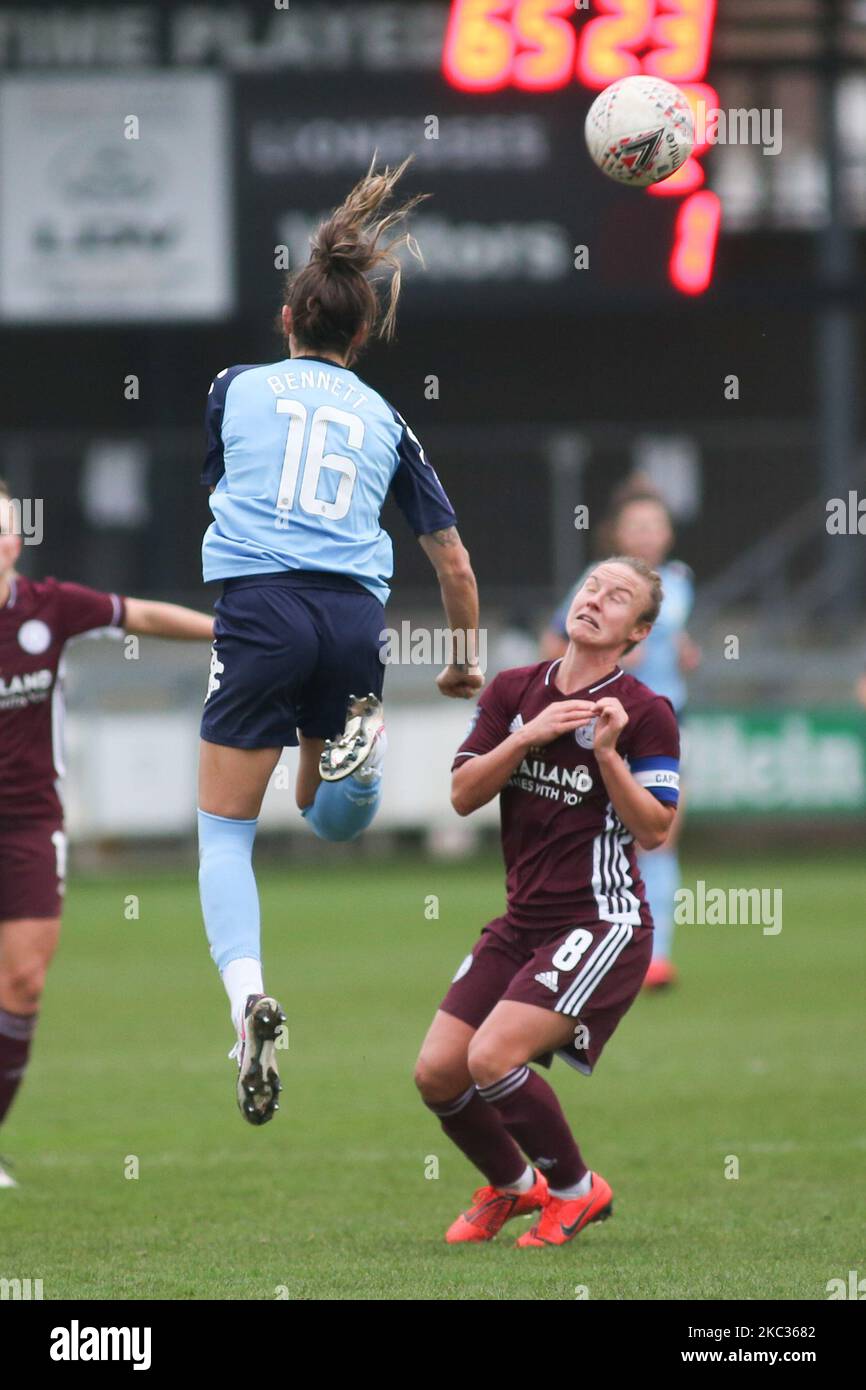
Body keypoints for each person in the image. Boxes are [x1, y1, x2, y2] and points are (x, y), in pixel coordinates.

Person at [196, 159, 482, 1126]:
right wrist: (463, 659)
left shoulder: (233, 386)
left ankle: (247, 1003)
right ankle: (358, 752)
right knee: (326, 814)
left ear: (289, 320)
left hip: (261, 608)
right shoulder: (389, 420)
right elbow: (451, 562)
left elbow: (226, 487)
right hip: (356, 617)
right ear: (363, 335)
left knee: (225, 833)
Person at [415, 556, 679, 1247]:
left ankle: (575, 1190)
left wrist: (609, 754)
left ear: (637, 632)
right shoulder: (513, 690)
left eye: (617, 598)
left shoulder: (646, 712)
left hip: (602, 921)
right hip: (521, 923)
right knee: (438, 1071)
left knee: (491, 1056)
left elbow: (655, 830)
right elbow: (464, 793)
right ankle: (514, 1186)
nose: (595, 599)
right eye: (592, 585)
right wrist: (526, 735)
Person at [0, 480, 214, 1188]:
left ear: (15, 542)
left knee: (24, 979)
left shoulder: (47, 608)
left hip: (29, 822)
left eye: (2, 529)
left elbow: (140, 614)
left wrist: (229, 630)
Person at [542, 487, 698, 987]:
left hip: (665, 725)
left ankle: (655, 956)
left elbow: (671, 638)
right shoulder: (601, 583)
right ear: (619, 535)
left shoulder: (678, 583)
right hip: (607, 726)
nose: (648, 536)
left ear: (668, 534)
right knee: (591, 841)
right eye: (637, 527)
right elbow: (554, 643)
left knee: (661, 836)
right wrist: (601, 660)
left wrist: (683, 651)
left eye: (655, 526)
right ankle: (578, 948)